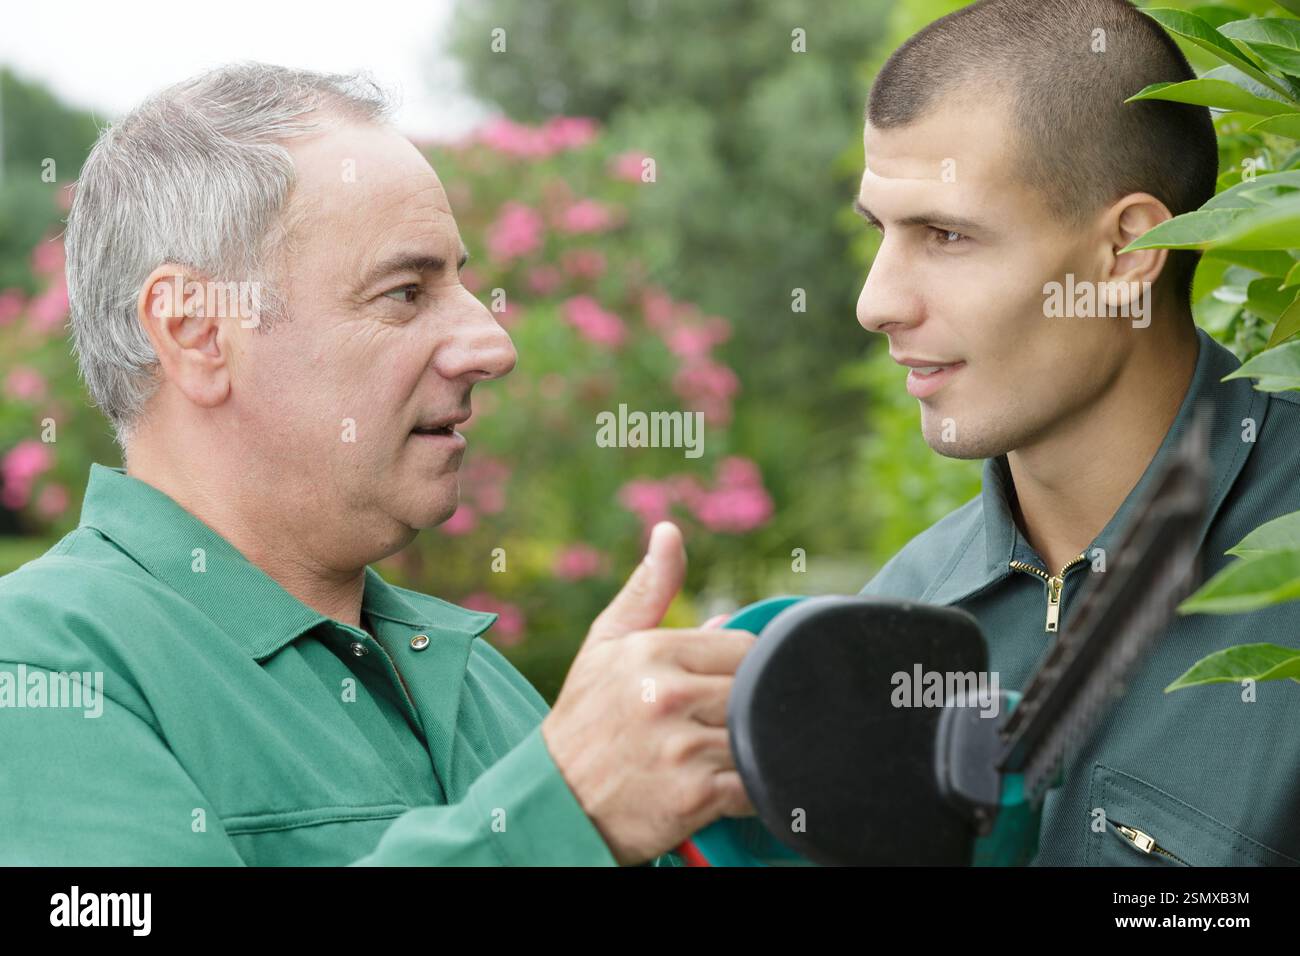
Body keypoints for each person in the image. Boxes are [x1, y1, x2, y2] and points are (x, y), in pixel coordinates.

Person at [0, 63, 754, 866]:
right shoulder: (43, 666)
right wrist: (563, 814)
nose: (492, 346)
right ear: (198, 331)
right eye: (404, 292)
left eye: (461, 283)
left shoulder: (476, 681)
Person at [854, 0, 1300, 865]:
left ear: (1129, 251)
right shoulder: (891, 622)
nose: (875, 303)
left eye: (945, 234)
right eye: (879, 231)